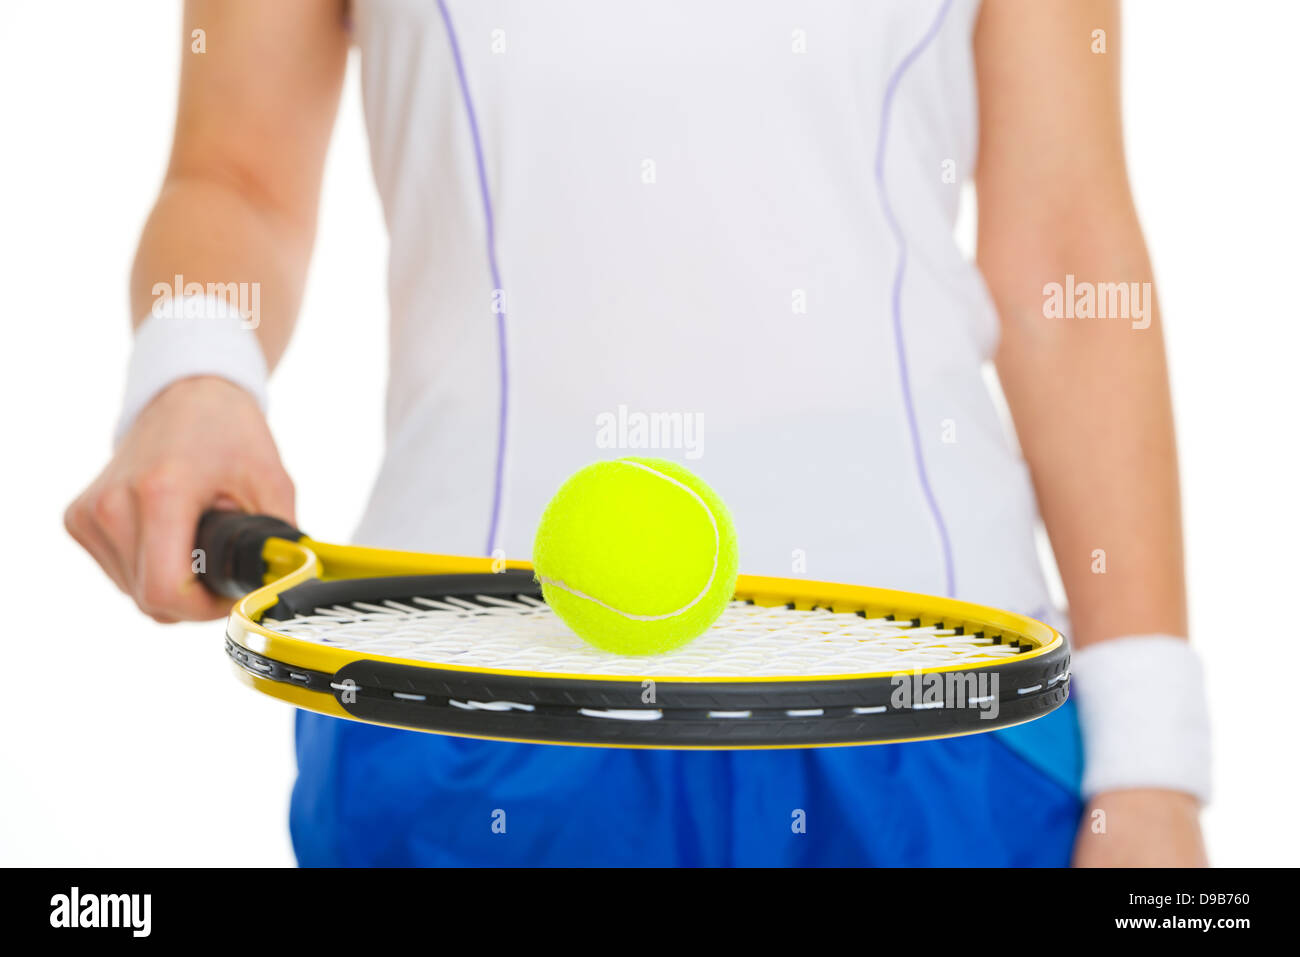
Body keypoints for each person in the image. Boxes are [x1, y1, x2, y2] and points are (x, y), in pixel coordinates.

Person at [65, 0, 1209, 866]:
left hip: (936, 725)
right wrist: (193, 370)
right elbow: (235, 175)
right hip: (461, 710)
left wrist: (1152, 762)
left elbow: (1067, 248)